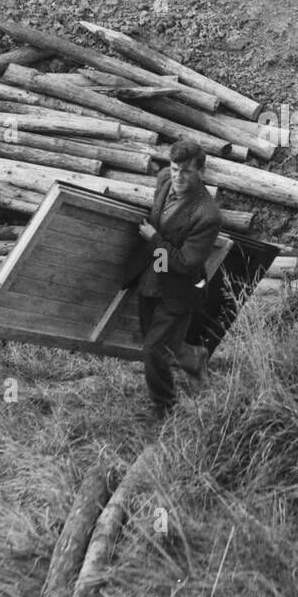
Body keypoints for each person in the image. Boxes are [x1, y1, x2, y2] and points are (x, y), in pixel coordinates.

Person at [122, 139, 223, 418]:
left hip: (179, 288)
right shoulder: (165, 179)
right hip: (151, 279)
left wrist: (154, 239)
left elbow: (185, 263)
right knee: (155, 342)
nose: (178, 177)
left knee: (154, 350)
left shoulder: (207, 215)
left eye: (186, 172)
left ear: (201, 171)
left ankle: (164, 407)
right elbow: (161, 193)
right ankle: (194, 356)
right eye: (175, 168)